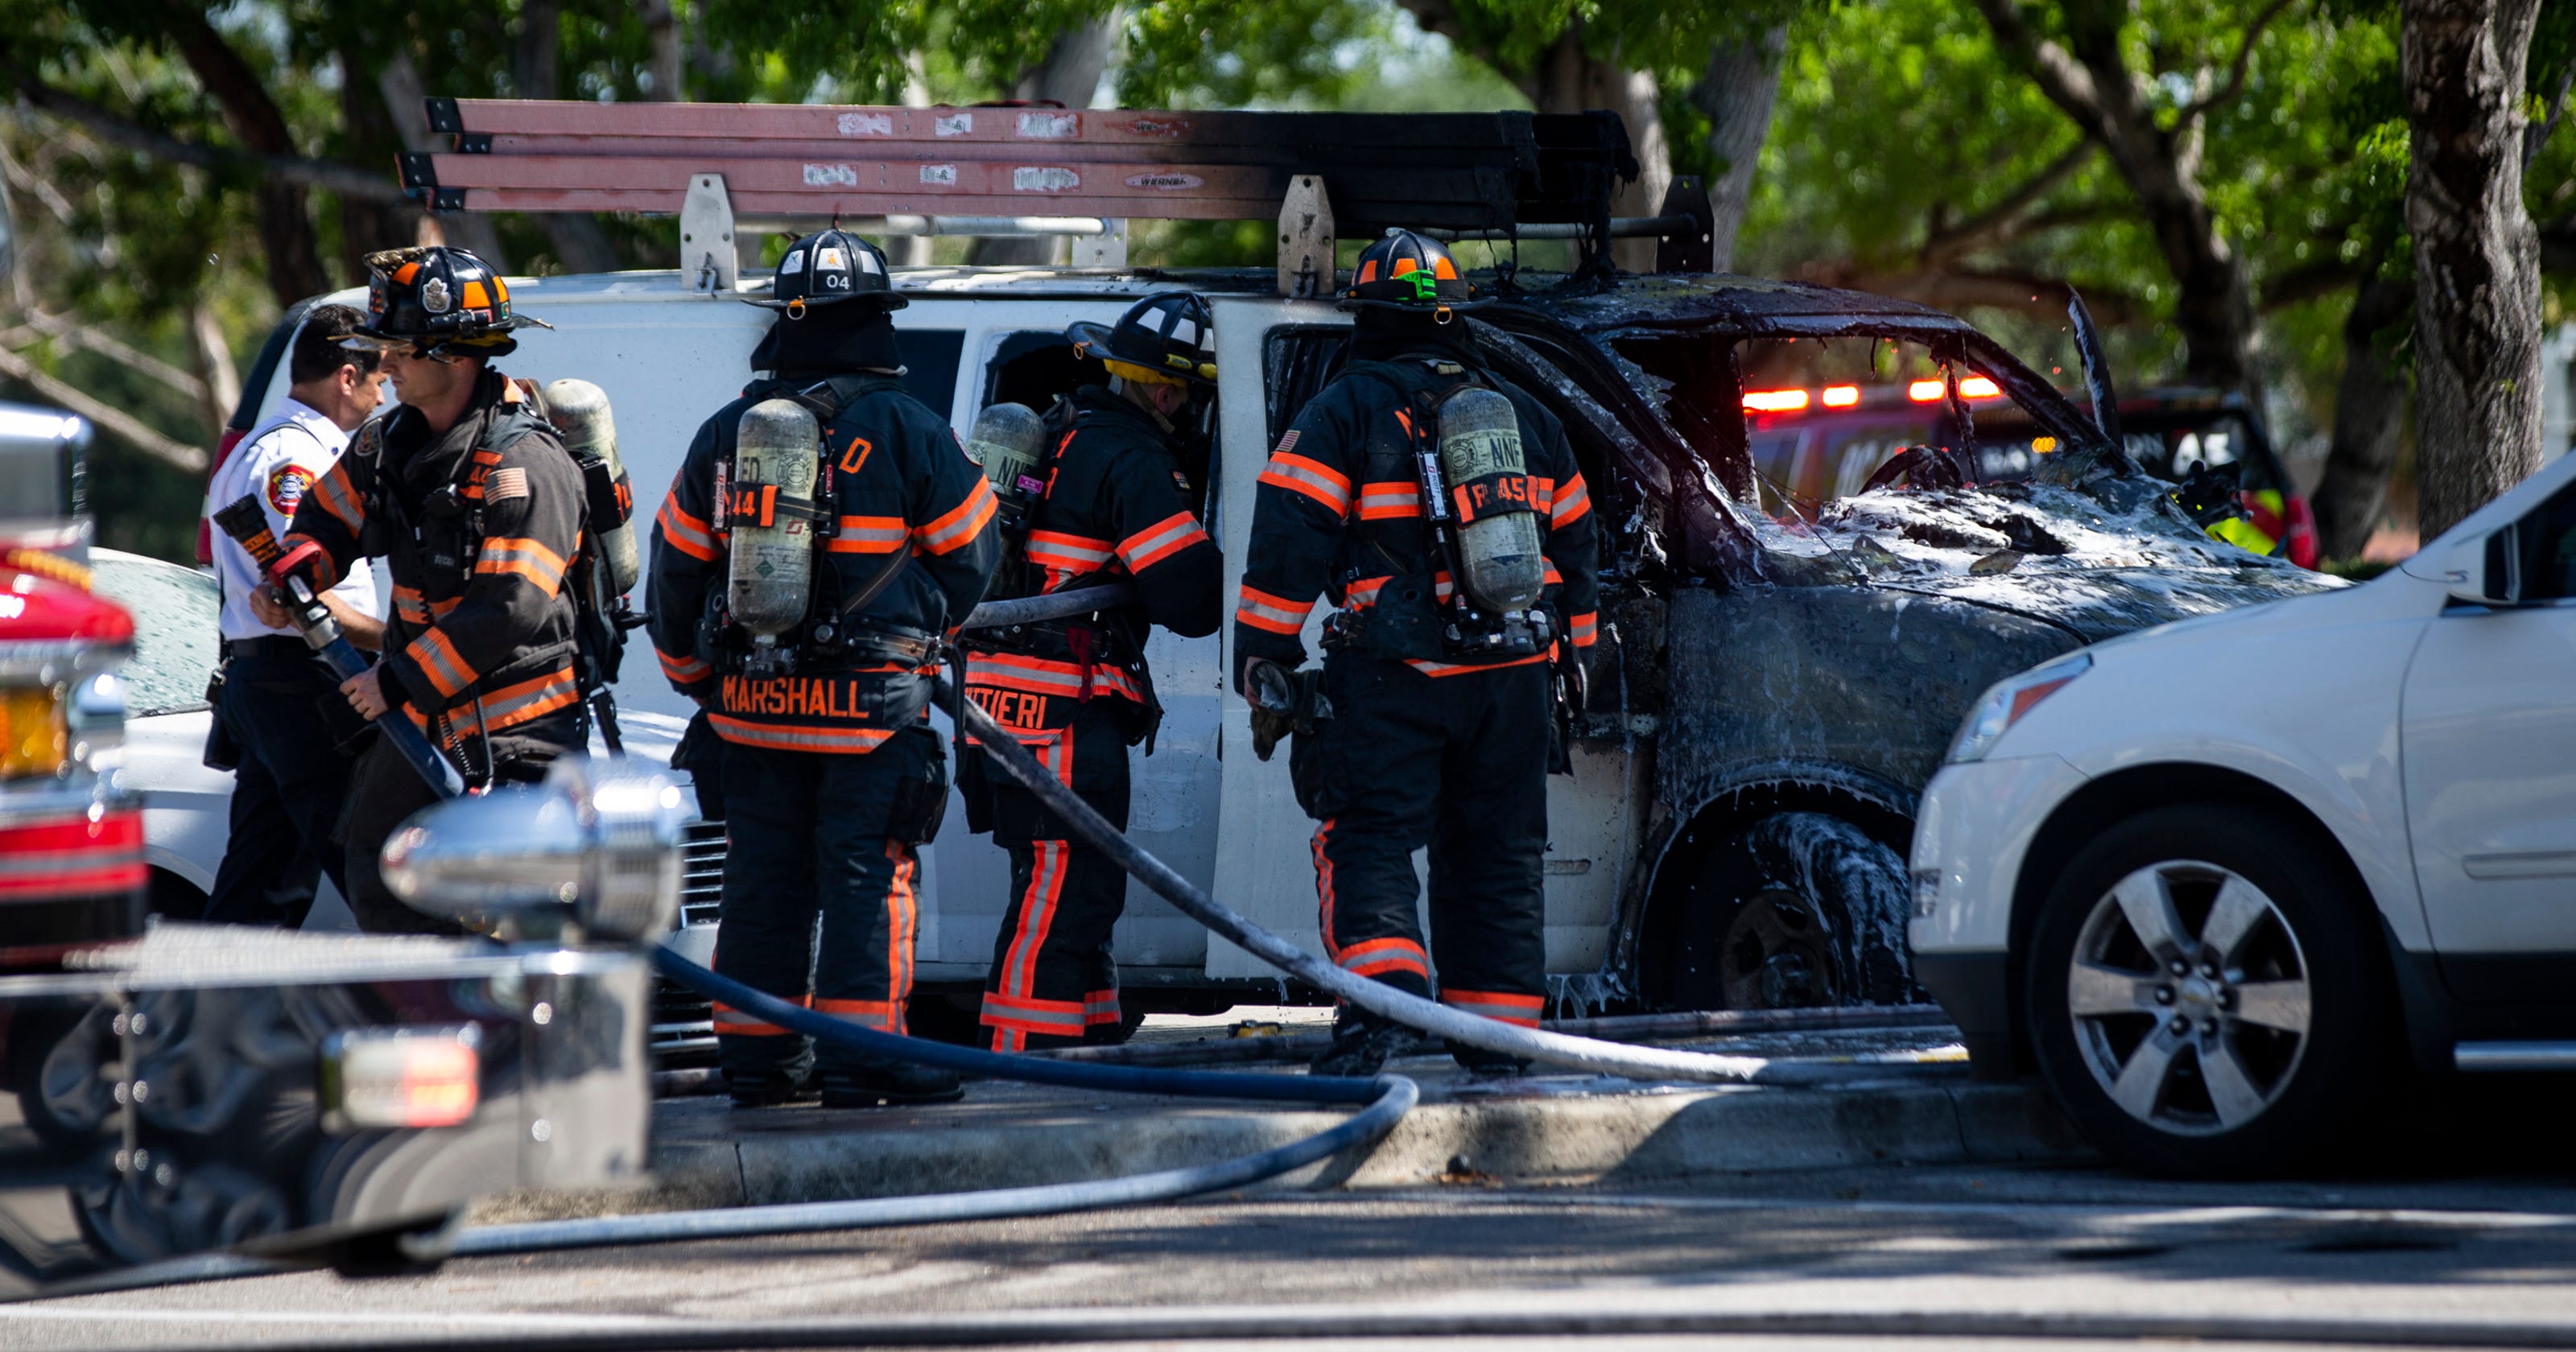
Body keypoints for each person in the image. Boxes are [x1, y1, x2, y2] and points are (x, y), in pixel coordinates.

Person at [1231, 229, 1600, 1078]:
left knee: (1367, 839)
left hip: (1394, 678)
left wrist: (1265, 660)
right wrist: (1574, 663)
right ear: (1451, 317)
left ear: (1363, 316)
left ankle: (1381, 1012)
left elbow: (1289, 545)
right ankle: (1499, 1043)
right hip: (1512, 679)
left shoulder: (1341, 412)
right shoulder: (1523, 417)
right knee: (1498, 856)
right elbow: (1577, 553)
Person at [646, 229, 1001, 1109]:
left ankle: (759, 1064)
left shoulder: (728, 432)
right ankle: (861, 1056)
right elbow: (973, 558)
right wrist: (919, 631)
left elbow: (675, 567)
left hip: (751, 713)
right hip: (872, 716)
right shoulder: (909, 429)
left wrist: (693, 677)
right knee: (865, 880)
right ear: (877, 322)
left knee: (761, 885)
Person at [267, 245, 587, 934]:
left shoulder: (524, 462)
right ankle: (428, 1029)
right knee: (380, 871)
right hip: (423, 719)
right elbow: (325, 521)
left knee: (510, 909)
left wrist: (401, 680)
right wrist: (298, 571)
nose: (384, 366)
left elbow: (512, 606)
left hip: (518, 732)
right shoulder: (387, 446)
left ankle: (507, 1035)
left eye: (401, 352)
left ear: (456, 356)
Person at [962, 293, 1224, 1051]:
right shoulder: (1131, 459)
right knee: (1060, 896)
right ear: (1168, 390)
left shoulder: (1063, 430)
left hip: (1007, 706)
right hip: (1061, 717)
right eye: (1196, 399)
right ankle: (1024, 1074)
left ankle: (1089, 1051)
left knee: (1081, 892)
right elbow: (1192, 598)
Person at [200, 303, 387, 927]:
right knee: (374, 868)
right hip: (306, 680)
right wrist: (405, 640)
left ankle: (208, 1018)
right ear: (346, 377)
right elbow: (299, 599)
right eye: (380, 378)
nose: (384, 396)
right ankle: (438, 1003)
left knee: (261, 884)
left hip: (276, 683)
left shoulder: (268, 447)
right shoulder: (299, 463)